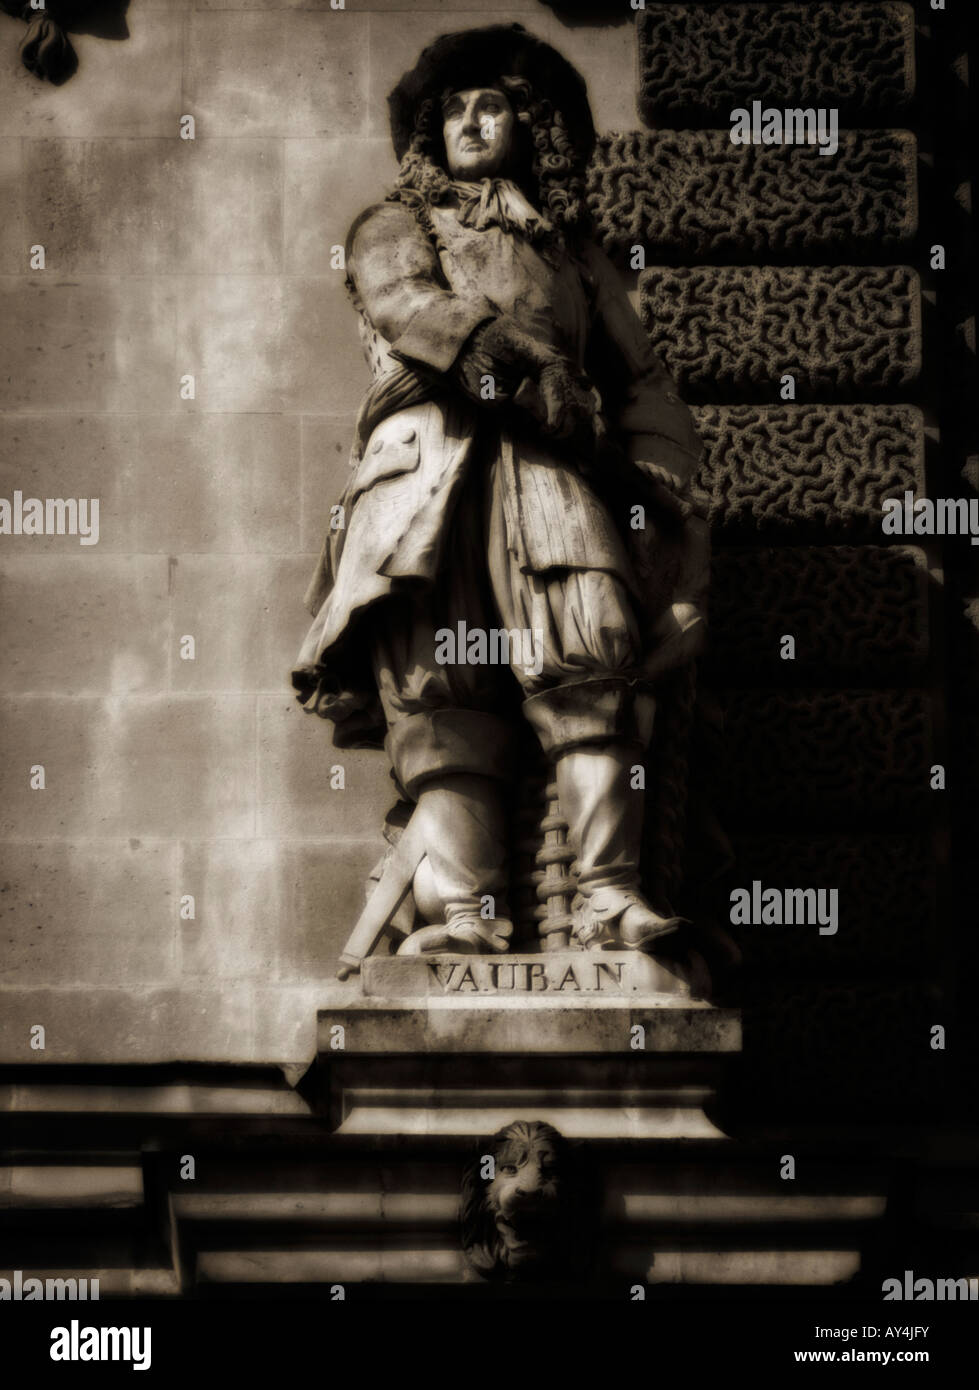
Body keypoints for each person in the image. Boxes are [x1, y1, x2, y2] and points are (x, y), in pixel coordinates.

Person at [293, 24, 710, 958]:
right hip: (430, 469)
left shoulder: (573, 256)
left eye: (492, 106)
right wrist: (528, 368)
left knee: (591, 657)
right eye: (453, 110)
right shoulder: (393, 225)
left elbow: (646, 387)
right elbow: (411, 307)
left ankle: (608, 903)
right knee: (441, 694)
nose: (472, 123)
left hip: (554, 473)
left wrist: (665, 491)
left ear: (529, 127)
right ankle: (463, 917)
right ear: (428, 135)